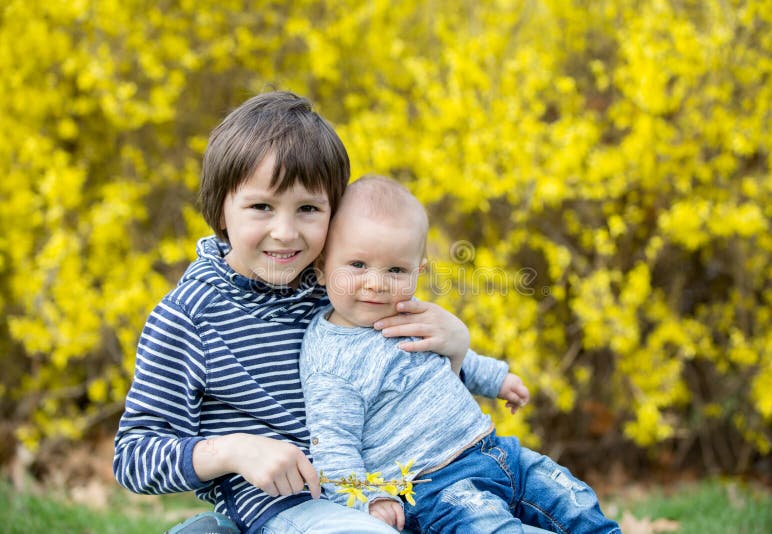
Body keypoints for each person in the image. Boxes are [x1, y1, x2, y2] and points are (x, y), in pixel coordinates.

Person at [113, 92, 473, 534]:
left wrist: (454, 351)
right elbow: (134, 456)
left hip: (390, 493)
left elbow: (408, 393)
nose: (284, 233)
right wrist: (233, 451)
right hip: (282, 508)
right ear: (221, 208)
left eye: (308, 209)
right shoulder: (189, 318)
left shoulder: (345, 293)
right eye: (262, 206)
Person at [300, 175, 621, 534]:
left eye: (395, 270)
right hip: (438, 487)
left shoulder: (407, 312)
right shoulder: (331, 361)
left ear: (417, 272)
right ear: (322, 265)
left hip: (496, 452)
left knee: (573, 500)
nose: (376, 283)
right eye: (357, 265)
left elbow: (442, 360)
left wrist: (496, 379)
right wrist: (367, 498)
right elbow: (333, 446)